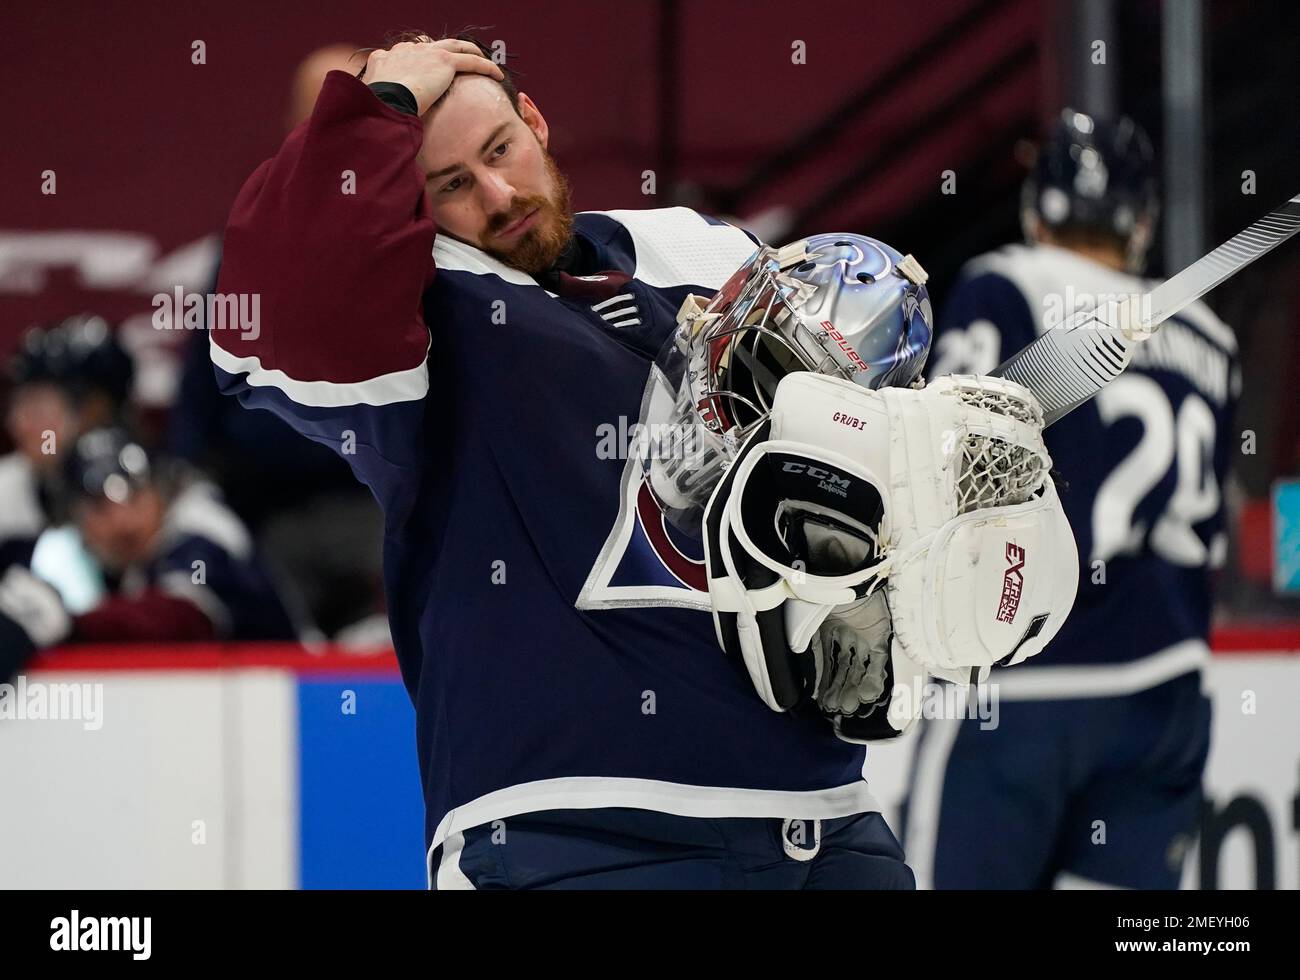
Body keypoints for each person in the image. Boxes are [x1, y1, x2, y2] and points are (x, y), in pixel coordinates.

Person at [207, 31, 1076, 889]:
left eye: (501, 150)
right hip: (571, 836)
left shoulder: (702, 251)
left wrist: (882, 564)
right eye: (453, 186)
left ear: (536, 121)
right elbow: (263, 324)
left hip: (823, 824)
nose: (500, 194)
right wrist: (378, 108)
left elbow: (830, 474)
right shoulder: (424, 322)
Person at [902, 109, 1240, 889]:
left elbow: (942, 461)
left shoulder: (1005, 286)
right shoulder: (1210, 331)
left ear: (1036, 208)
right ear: (1143, 220)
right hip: (1168, 694)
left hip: (1027, 681)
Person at [0, 427, 302, 656]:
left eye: (135, 495)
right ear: (75, 519)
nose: (122, 520)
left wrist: (73, 624)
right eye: (99, 507)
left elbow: (182, 618)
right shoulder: (129, 565)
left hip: (305, 703)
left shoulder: (202, 532)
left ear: (161, 490)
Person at [0, 314, 134, 570]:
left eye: (36, 407)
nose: (17, 424)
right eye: (16, 405)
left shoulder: (153, 498)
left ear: (94, 410)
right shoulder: (6, 489)